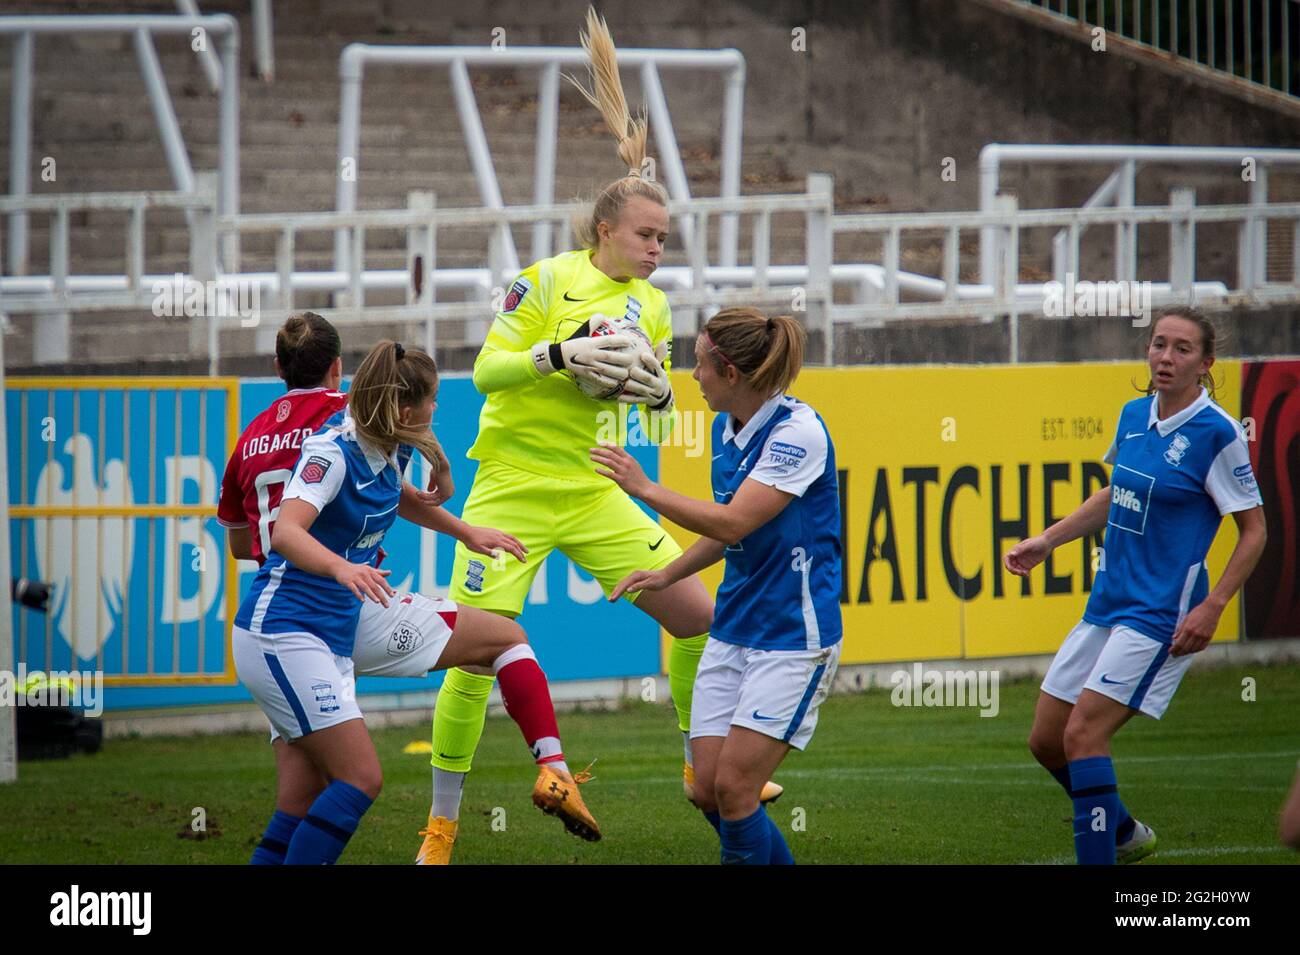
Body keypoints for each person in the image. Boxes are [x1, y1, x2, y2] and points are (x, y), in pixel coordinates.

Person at [422, 7, 779, 865]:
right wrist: (558, 351)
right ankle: (441, 827)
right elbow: (490, 372)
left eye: (665, 236)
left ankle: (703, 770)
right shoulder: (543, 280)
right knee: (476, 653)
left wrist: (656, 392)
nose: (659, 249)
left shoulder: (652, 305)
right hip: (510, 482)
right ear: (605, 232)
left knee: (699, 615)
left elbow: (646, 396)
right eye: (647, 234)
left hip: (592, 483)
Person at [231, 339, 600, 865]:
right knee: (359, 779)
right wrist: (342, 566)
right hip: (284, 631)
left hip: (345, 617)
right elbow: (286, 533)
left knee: (504, 638)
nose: (436, 410)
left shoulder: (390, 437)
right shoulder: (330, 452)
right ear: (404, 409)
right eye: (431, 402)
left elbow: (397, 490)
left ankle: (554, 769)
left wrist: (465, 531)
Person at [1006, 306, 1267, 865]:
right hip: (1109, 601)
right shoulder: (1132, 413)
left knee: (1083, 738)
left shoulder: (1217, 433)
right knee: (1046, 741)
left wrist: (1214, 606)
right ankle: (1123, 834)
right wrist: (1048, 540)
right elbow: (1115, 493)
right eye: (1158, 345)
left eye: (1181, 349)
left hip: (1159, 614)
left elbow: (1254, 530)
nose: (1166, 358)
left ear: (1205, 363)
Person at [591, 307, 842, 865]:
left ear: (729, 371)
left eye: (701, 364)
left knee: (734, 790)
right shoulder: (723, 427)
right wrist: (667, 573)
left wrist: (644, 489)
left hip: (792, 638)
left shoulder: (797, 432)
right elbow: (728, 527)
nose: (693, 376)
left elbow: (733, 523)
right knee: (706, 789)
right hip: (734, 629)